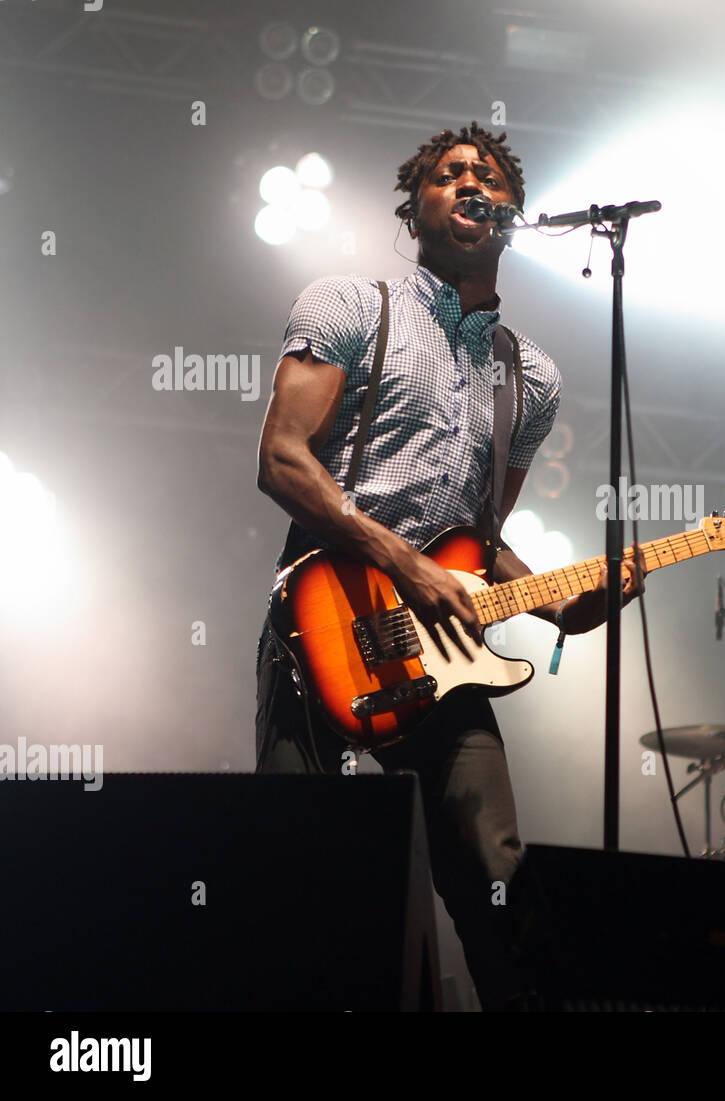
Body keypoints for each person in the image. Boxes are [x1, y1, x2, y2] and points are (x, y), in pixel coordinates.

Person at [253, 121, 642, 1010]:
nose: (471, 182)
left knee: (500, 883)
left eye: (489, 175)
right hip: (328, 623)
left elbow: (479, 544)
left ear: (510, 211)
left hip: (443, 657)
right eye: (449, 173)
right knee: (295, 880)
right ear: (417, 205)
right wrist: (405, 563)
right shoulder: (352, 305)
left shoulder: (529, 378)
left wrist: (564, 604)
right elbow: (281, 458)